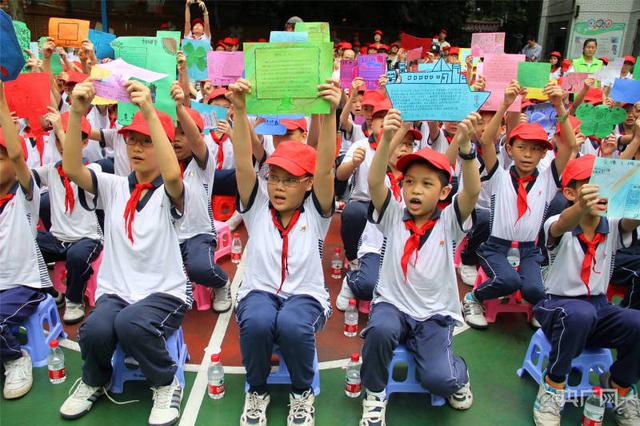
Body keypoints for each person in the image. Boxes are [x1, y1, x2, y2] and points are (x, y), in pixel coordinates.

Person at [59, 81, 190, 426]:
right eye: (132, 139)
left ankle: (165, 382)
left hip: (164, 292)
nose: (136, 147)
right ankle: (93, 380)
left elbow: (173, 173)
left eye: (147, 141)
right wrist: (76, 111)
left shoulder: (171, 193)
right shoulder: (113, 186)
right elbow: (72, 167)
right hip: (118, 290)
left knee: (131, 324)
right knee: (95, 330)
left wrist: (149, 110)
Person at [226, 78, 339, 426]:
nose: (278, 186)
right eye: (274, 177)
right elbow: (245, 164)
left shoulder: (316, 212)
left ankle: (302, 393)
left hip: (305, 295)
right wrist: (241, 111)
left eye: (289, 180)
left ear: (307, 184)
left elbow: (324, 167)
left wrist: (331, 113)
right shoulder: (257, 206)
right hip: (259, 290)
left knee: (291, 324)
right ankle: (256, 390)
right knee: (259, 320)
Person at [359, 110, 481, 425]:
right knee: (380, 329)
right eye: (409, 182)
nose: (414, 190)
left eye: (426, 184)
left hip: (434, 314)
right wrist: (386, 139)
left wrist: (466, 150)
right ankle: (374, 394)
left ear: (442, 193)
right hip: (394, 304)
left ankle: (460, 371)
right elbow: (374, 181)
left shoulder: (449, 221)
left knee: (439, 380)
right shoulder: (393, 214)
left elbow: (472, 192)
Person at [532, 154, 640, 426]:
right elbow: (561, 225)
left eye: (606, 184)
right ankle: (553, 385)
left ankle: (620, 385)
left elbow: (631, 221)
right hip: (557, 305)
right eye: (590, 185)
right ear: (569, 192)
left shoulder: (612, 224)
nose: (600, 191)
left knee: (637, 321)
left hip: (598, 306)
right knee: (580, 314)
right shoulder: (559, 222)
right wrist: (581, 207)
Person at [463, 81, 576, 329]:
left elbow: (570, 146)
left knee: (536, 290)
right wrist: (505, 103)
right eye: (522, 147)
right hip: (496, 246)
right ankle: (474, 297)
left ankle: (534, 304)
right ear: (510, 149)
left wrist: (559, 105)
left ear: (543, 154)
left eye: (535, 150)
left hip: (529, 250)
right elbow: (486, 141)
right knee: (508, 281)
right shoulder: (499, 176)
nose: (527, 154)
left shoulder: (547, 180)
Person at [0, 81, 52, 400]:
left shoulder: (23, 196)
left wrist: (2, 101)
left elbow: (18, 154)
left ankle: (15, 358)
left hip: (22, 284)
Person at [33, 112, 103, 324]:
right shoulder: (51, 171)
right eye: (60, 139)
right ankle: (51, 291)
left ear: (84, 142)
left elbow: (75, 169)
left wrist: (62, 132)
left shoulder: (93, 169)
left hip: (86, 238)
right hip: (58, 237)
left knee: (77, 256)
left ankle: (74, 300)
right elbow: (22, 173)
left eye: (73, 138)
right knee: (26, 243)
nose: (64, 143)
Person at [169, 82, 231, 312]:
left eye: (183, 133)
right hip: (168, 233)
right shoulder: (162, 163)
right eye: (173, 133)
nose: (176, 139)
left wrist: (178, 108)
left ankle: (222, 283)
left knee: (199, 268)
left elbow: (196, 141)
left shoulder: (203, 162)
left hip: (198, 233)